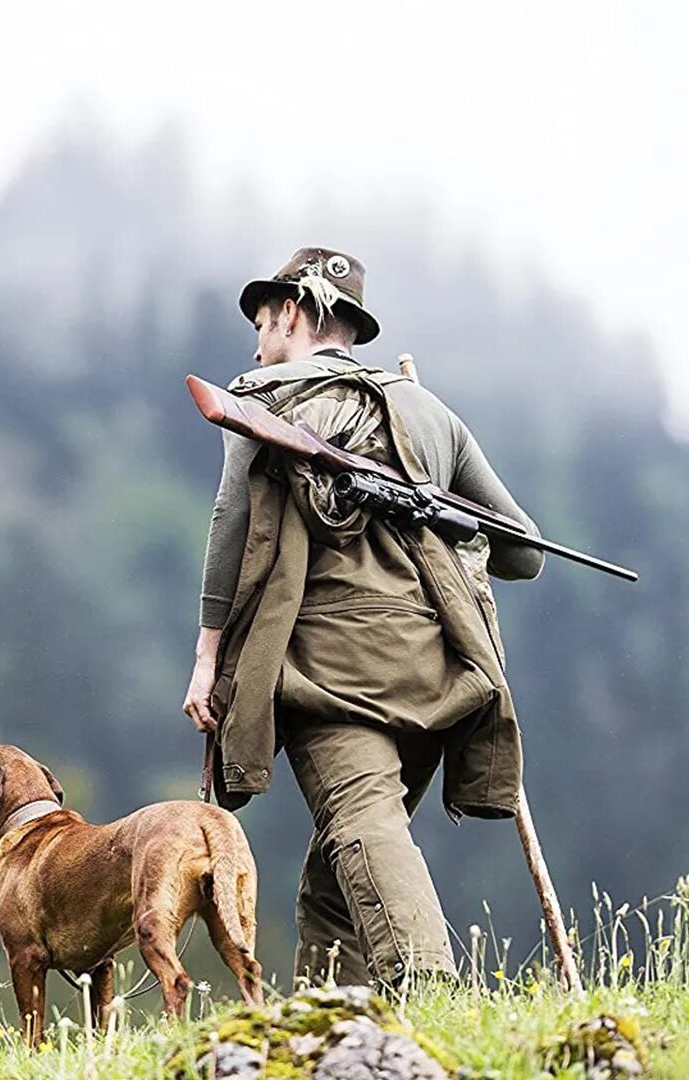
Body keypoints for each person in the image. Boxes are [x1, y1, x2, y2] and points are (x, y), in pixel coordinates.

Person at [180, 247, 544, 987]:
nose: (256, 344)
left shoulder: (260, 398)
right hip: (439, 672)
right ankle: (335, 1028)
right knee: (335, 880)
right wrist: (437, 500)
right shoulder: (427, 412)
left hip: (332, 674)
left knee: (362, 826)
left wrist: (207, 658)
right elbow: (524, 553)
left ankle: (431, 992)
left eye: (262, 322)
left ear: (292, 313)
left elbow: (231, 521)